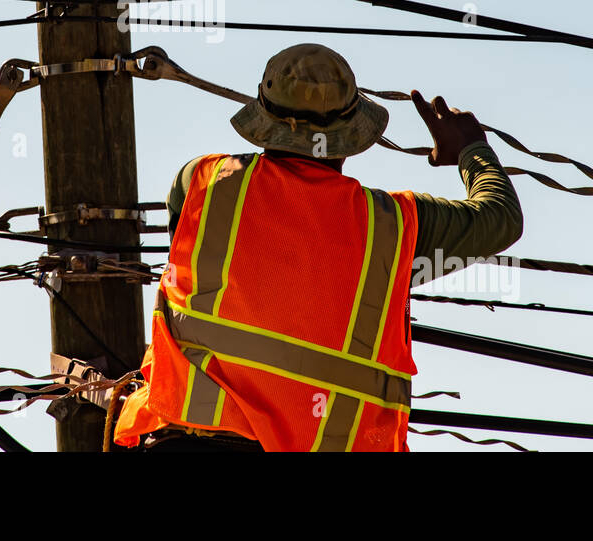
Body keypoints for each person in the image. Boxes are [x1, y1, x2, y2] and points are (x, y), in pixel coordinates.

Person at [112, 43, 523, 452]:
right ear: (352, 133)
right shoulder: (393, 227)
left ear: (263, 117)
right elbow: (499, 217)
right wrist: (471, 150)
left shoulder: (202, 181)